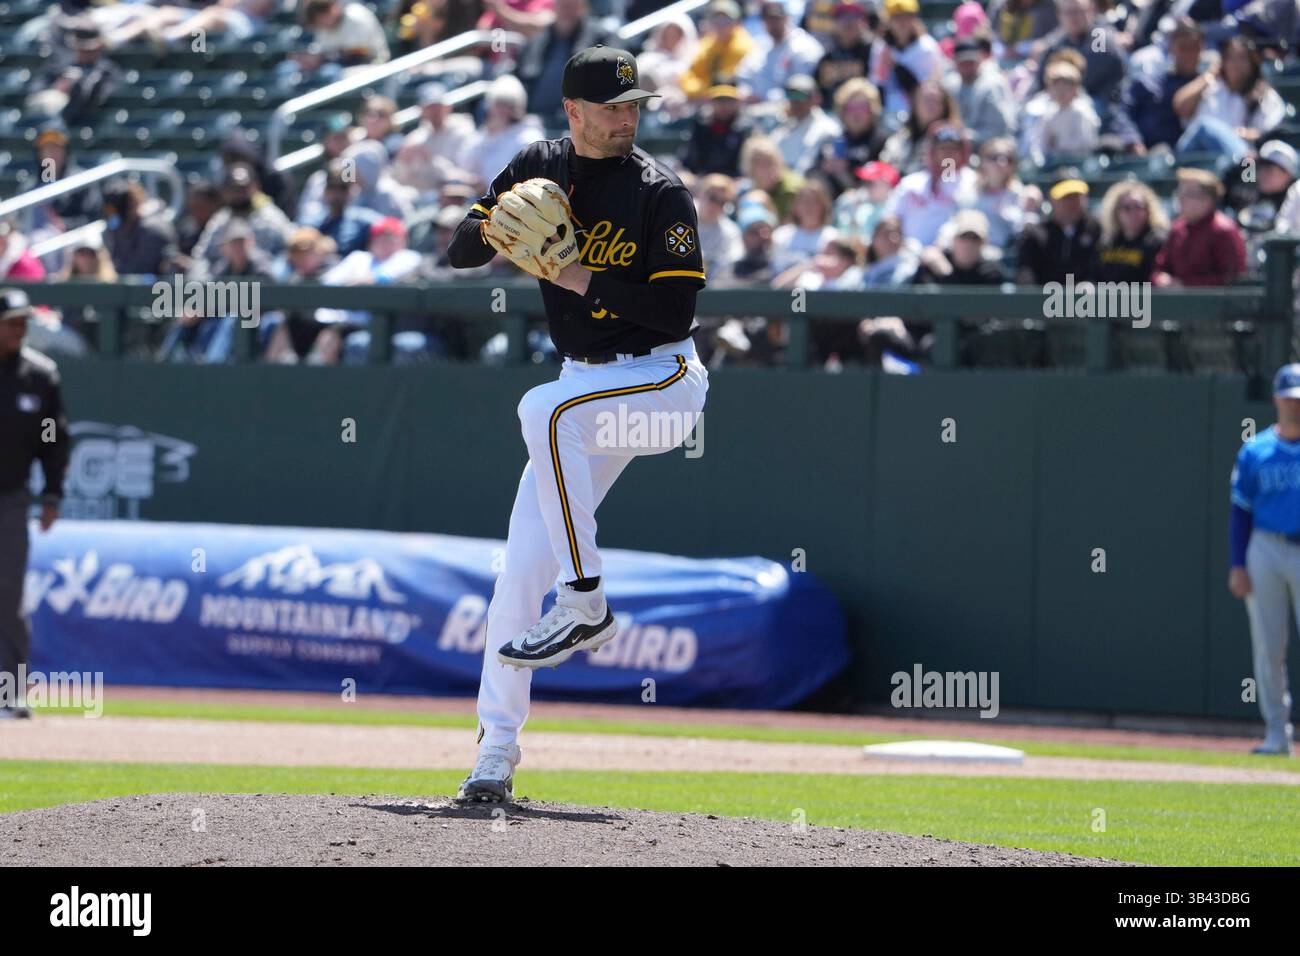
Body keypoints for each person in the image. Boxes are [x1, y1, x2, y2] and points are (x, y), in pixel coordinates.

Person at [445, 44, 708, 803]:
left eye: (634, 106)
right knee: (517, 573)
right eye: (612, 107)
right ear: (573, 112)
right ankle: (495, 753)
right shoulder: (537, 164)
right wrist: (498, 225)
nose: (626, 118)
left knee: (540, 410)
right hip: (585, 394)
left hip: (660, 383)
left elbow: (674, 310)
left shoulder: (661, 193)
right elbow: (461, 250)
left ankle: (586, 600)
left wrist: (571, 272)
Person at [0, 289, 68, 719]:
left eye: (24, 321)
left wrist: (52, 492)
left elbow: (52, 438)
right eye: (11, 321)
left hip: (10, 499)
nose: (19, 328)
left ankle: (11, 690)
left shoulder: (38, 377)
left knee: (7, 596)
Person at [1228, 363, 1300, 756]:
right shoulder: (1255, 450)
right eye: (1289, 398)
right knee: (1269, 646)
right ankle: (1277, 733)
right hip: (1266, 547)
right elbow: (1240, 511)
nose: (1294, 406)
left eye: (1299, 399)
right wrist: (1237, 563)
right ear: (1276, 399)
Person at [1152, 168, 1246, 287]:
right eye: (1179, 192)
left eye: (1188, 194)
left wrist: (1185, 285)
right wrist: (1160, 278)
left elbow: (1232, 280)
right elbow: (1160, 267)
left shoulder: (1224, 231)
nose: (1180, 198)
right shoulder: (1177, 228)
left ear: (1208, 199)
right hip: (1175, 303)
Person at [737, 0, 826, 103]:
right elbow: (743, 76)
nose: (773, 23)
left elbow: (804, 87)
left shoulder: (804, 47)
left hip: (791, 108)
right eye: (768, 19)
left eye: (777, 18)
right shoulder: (760, 45)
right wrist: (746, 94)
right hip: (756, 110)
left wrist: (769, 100)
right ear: (763, 22)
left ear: (787, 18)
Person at [1016, 178, 1100, 284]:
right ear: (1052, 200)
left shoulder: (1095, 229)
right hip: (1045, 296)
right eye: (1066, 197)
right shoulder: (1037, 233)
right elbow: (1025, 271)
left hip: (1086, 298)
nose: (1073, 202)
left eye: (1076, 196)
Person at [870, 0, 941, 120]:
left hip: (919, 117)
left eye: (907, 17)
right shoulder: (880, 47)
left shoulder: (926, 48)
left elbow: (925, 92)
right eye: (897, 17)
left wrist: (896, 67)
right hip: (887, 115)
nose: (902, 23)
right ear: (888, 20)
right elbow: (876, 85)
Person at [1091, 180, 1168, 282]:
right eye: (1127, 208)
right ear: (1116, 212)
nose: (1133, 213)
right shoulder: (1106, 242)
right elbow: (1094, 276)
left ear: (1148, 210)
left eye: (1138, 207)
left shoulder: (1157, 241)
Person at [770, 75, 843, 175]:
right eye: (791, 95)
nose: (795, 102)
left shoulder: (827, 128)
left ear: (815, 98)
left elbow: (806, 169)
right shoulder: (782, 128)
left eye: (801, 96)